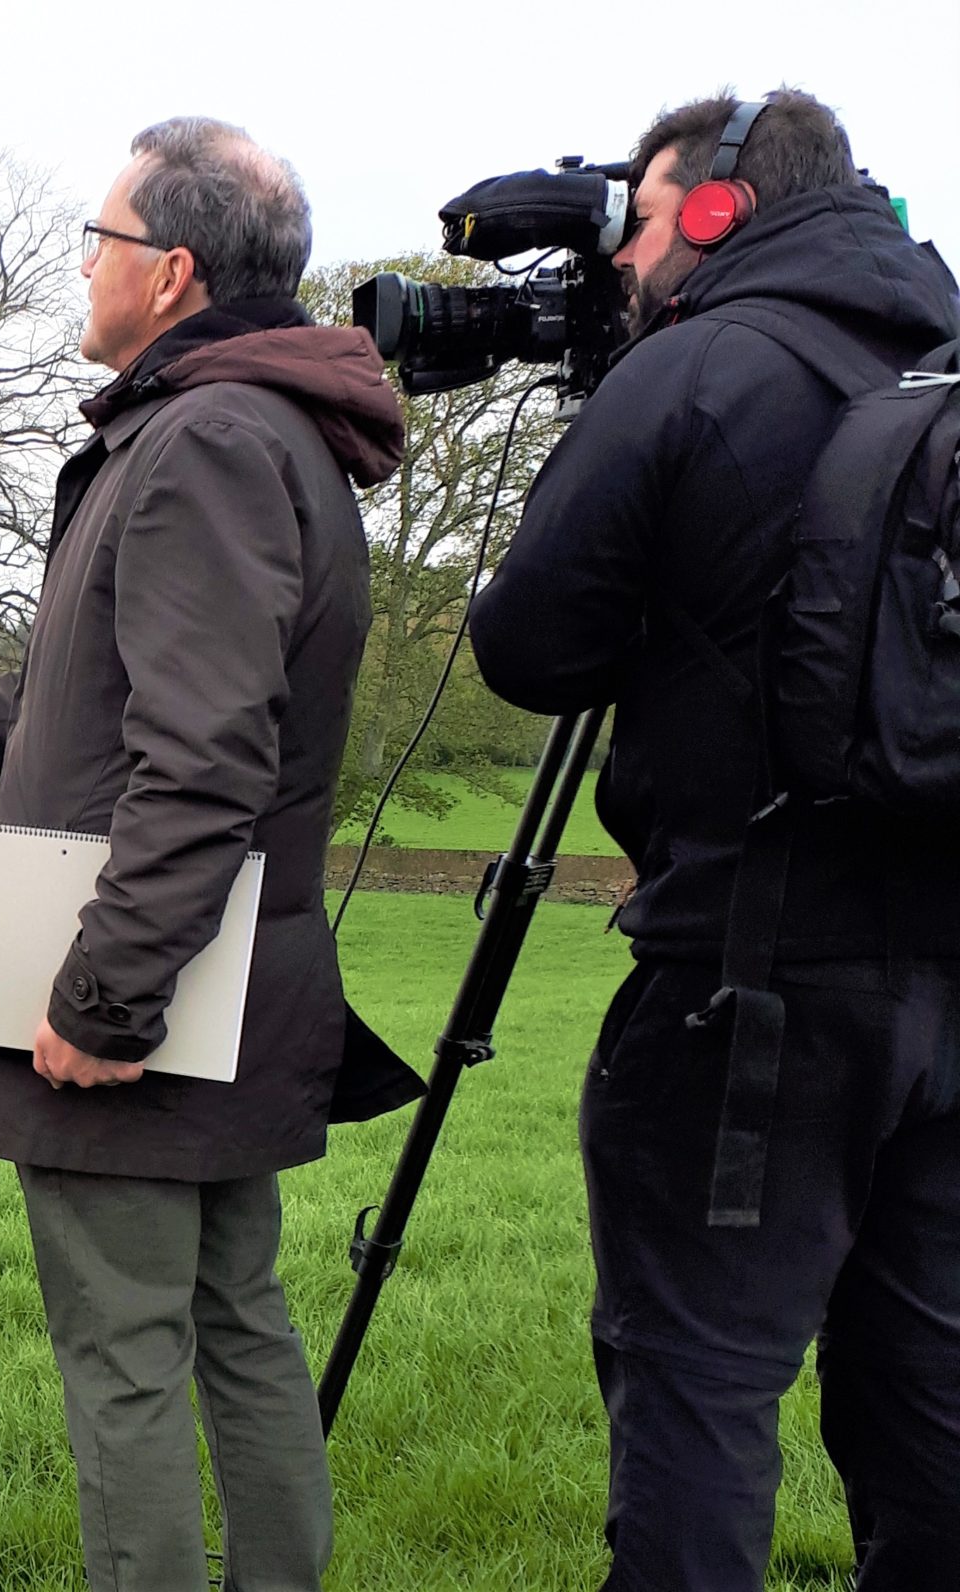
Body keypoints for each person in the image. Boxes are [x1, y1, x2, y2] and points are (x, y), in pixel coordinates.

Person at [0, 118, 404, 1591]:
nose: (87, 264)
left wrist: (105, 1003)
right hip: (222, 975)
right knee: (239, 1319)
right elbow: (76, 697)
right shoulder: (243, 427)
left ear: (170, 271)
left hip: (154, 992)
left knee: (131, 1358)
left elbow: (202, 763)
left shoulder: (209, 443)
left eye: (99, 239)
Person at [469, 91, 960, 1590]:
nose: (619, 255)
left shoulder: (698, 369)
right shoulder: (939, 363)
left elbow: (529, 644)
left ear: (714, 210)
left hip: (748, 979)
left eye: (638, 219)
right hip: (949, 976)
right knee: (932, 1394)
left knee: (698, 1382)